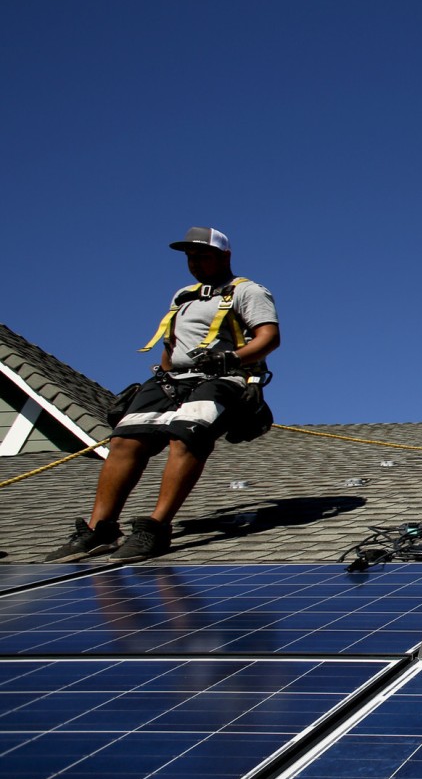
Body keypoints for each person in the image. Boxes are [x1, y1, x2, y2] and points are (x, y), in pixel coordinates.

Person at [46, 227, 280, 565]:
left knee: (187, 437)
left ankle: (156, 528)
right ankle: (101, 529)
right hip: (172, 380)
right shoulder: (183, 296)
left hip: (222, 377)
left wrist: (230, 359)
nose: (195, 262)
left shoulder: (248, 291)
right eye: (190, 257)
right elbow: (172, 345)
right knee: (125, 440)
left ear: (225, 256)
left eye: (203, 255)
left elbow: (269, 337)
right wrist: (158, 380)